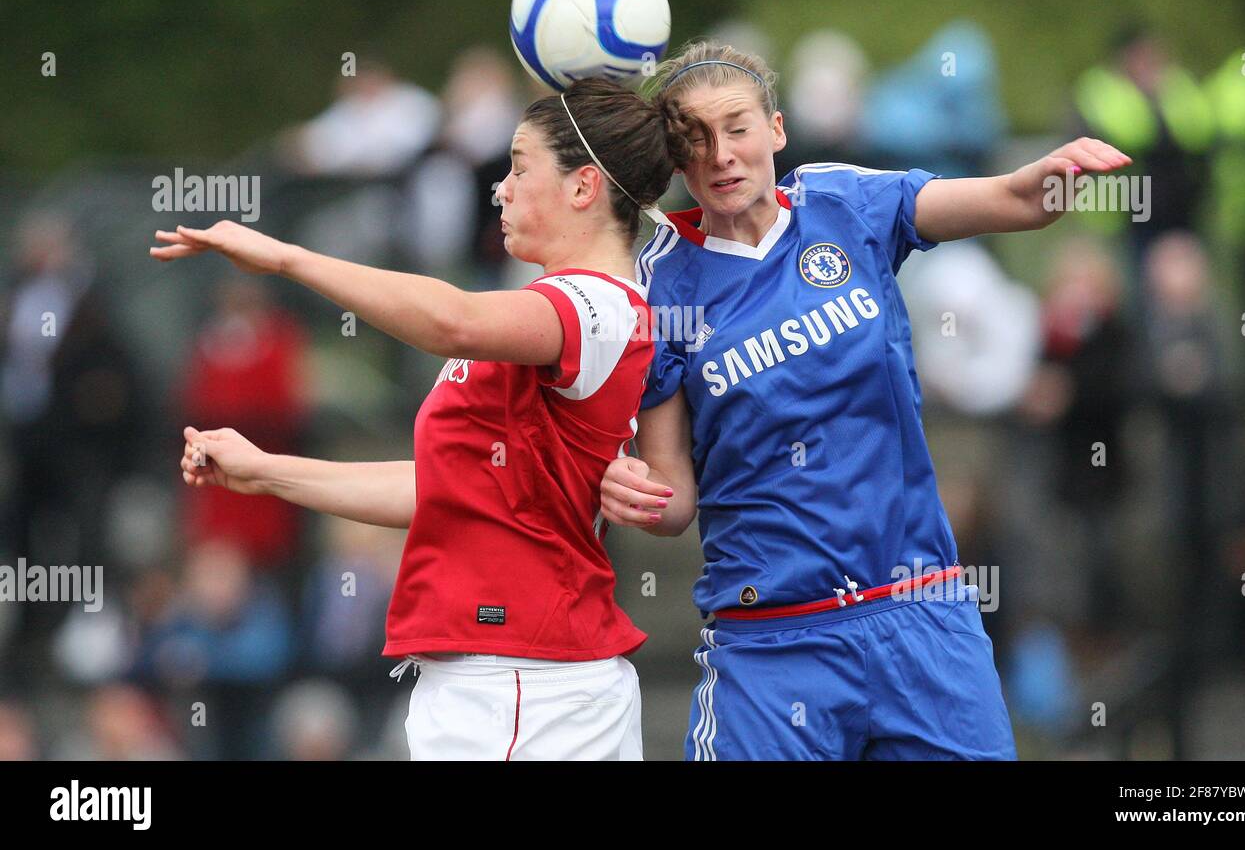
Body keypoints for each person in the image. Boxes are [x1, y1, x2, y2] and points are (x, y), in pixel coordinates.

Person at [600, 41, 1131, 761]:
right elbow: (673, 501)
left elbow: (1014, 198)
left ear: (777, 130)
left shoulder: (841, 202)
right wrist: (625, 486)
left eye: (737, 127)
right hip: (772, 641)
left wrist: (1048, 180)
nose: (721, 153)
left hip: (920, 615)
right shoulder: (661, 287)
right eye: (693, 138)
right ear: (674, 158)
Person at [150, 76, 692, 760]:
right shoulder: (540, 318)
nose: (502, 188)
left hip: (526, 683)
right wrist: (266, 472)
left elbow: (450, 320)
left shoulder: (601, 305)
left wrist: (285, 258)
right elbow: (447, 489)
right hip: (501, 682)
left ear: (584, 188)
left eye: (520, 168)